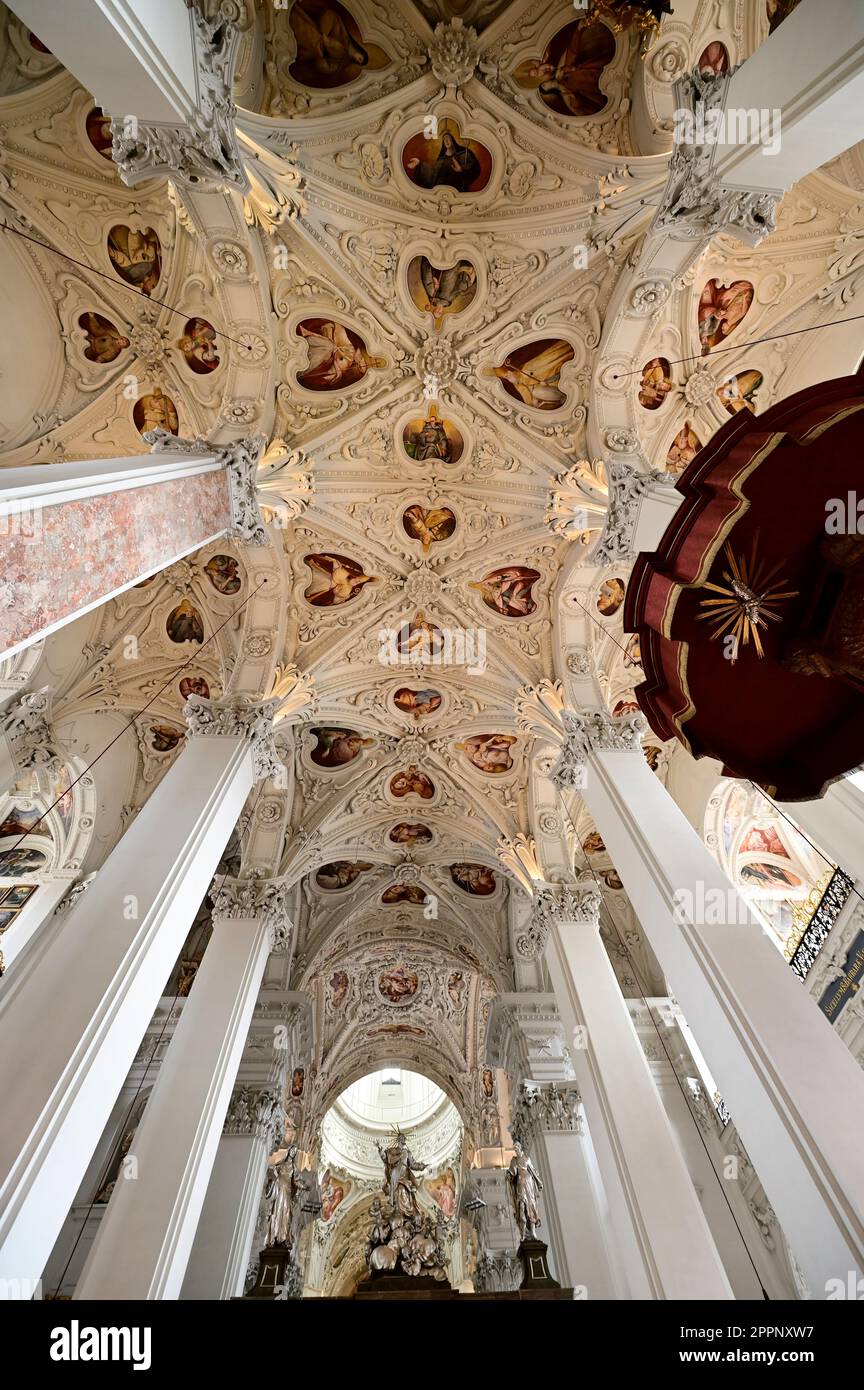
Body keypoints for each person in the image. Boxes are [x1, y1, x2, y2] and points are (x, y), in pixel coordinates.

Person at [405, 130, 481, 192]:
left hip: (457, 192)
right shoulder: (441, 159)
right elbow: (433, 176)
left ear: (453, 140)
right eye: (444, 139)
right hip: (439, 192)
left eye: (448, 139)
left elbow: (475, 169)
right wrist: (419, 164)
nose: (446, 141)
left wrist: (461, 170)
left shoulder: (463, 155)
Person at [507, 1140, 543, 1240]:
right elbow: (512, 1171)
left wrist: (538, 1182)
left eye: (517, 1148)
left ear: (520, 1147)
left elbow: (532, 1170)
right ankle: (522, 1233)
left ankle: (533, 1232)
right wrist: (509, 1174)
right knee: (521, 1206)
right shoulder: (514, 1160)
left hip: (529, 1183)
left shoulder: (527, 1158)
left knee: (531, 1206)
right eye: (514, 1149)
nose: (516, 1150)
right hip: (520, 1184)